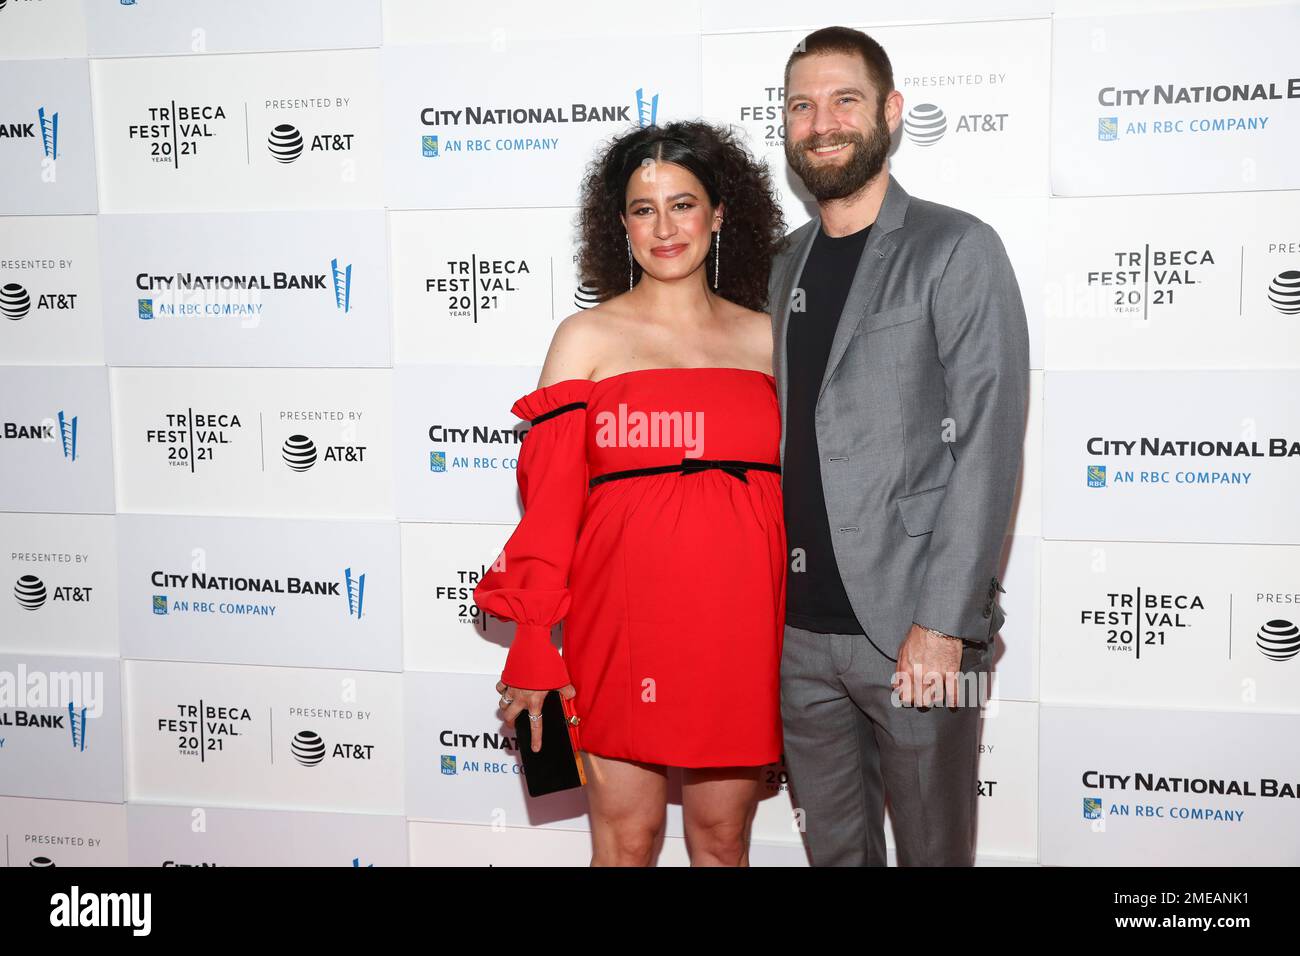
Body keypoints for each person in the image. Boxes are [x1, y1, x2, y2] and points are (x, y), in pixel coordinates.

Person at [473, 120, 788, 867]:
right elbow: (549, 509)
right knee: (628, 841)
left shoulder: (770, 340)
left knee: (721, 842)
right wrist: (530, 642)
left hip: (741, 624)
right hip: (621, 623)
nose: (665, 227)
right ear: (619, 225)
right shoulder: (586, 340)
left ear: (719, 215)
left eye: (683, 204)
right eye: (643, 209)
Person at [770, 26, 1030, 865]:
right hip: (798, 639)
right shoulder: (782, 266)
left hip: (919, 630)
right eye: (801, 106)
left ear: (890, 112)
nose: (822, 123)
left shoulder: (956, 246)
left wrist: (945, 624)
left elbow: (989, 440)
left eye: (845, 100)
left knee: (934, 852)